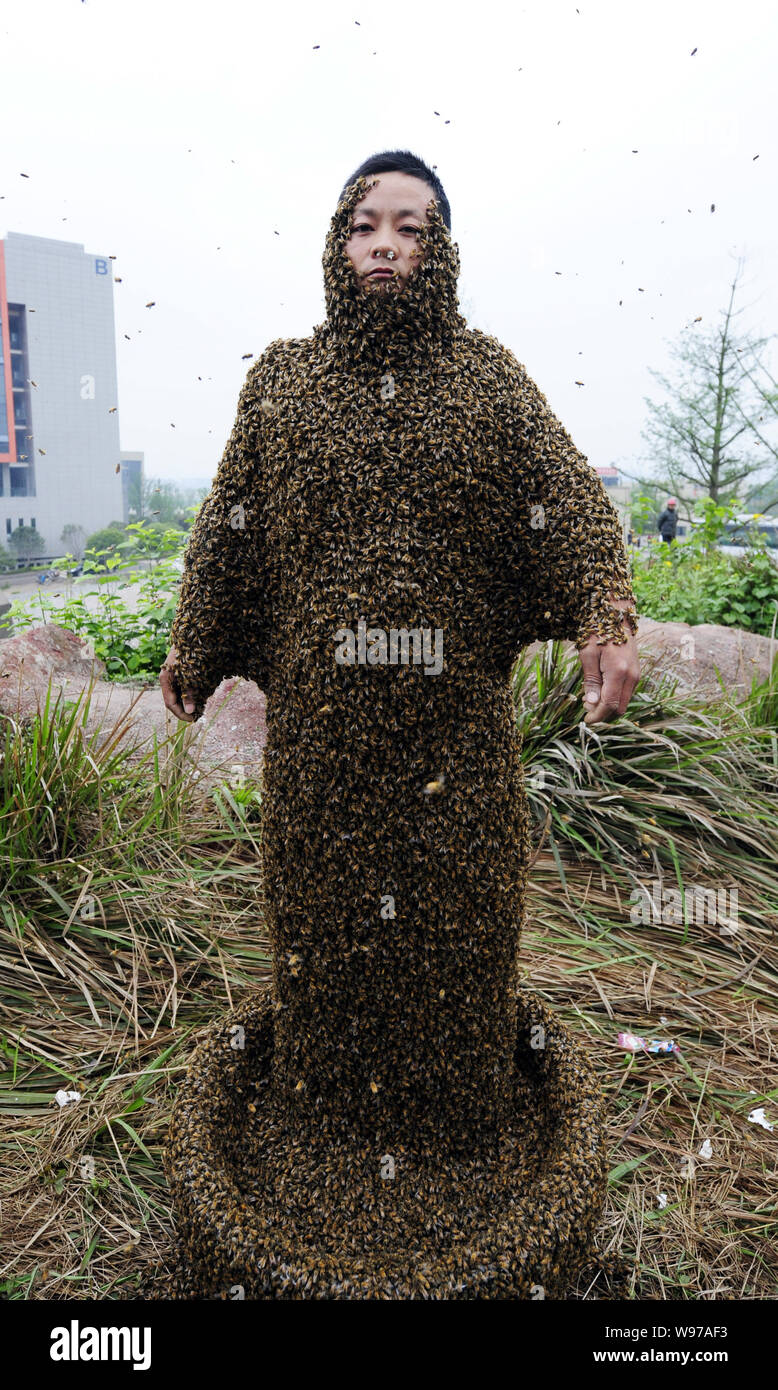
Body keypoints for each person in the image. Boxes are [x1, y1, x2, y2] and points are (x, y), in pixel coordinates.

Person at [155, 151, 641, 1300]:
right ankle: (321, 1126)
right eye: (366, 224)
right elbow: (228, 523)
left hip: (457, 765)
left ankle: (466, 1135)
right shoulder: (281, 385)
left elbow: (569, 501)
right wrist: (199, 634)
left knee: (456, 948)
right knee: (324, 953)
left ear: (443, 252)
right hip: (318, 760)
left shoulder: (486, 382)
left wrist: (603, 613)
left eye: (412, 228)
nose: (386, 243)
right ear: (336, 243)